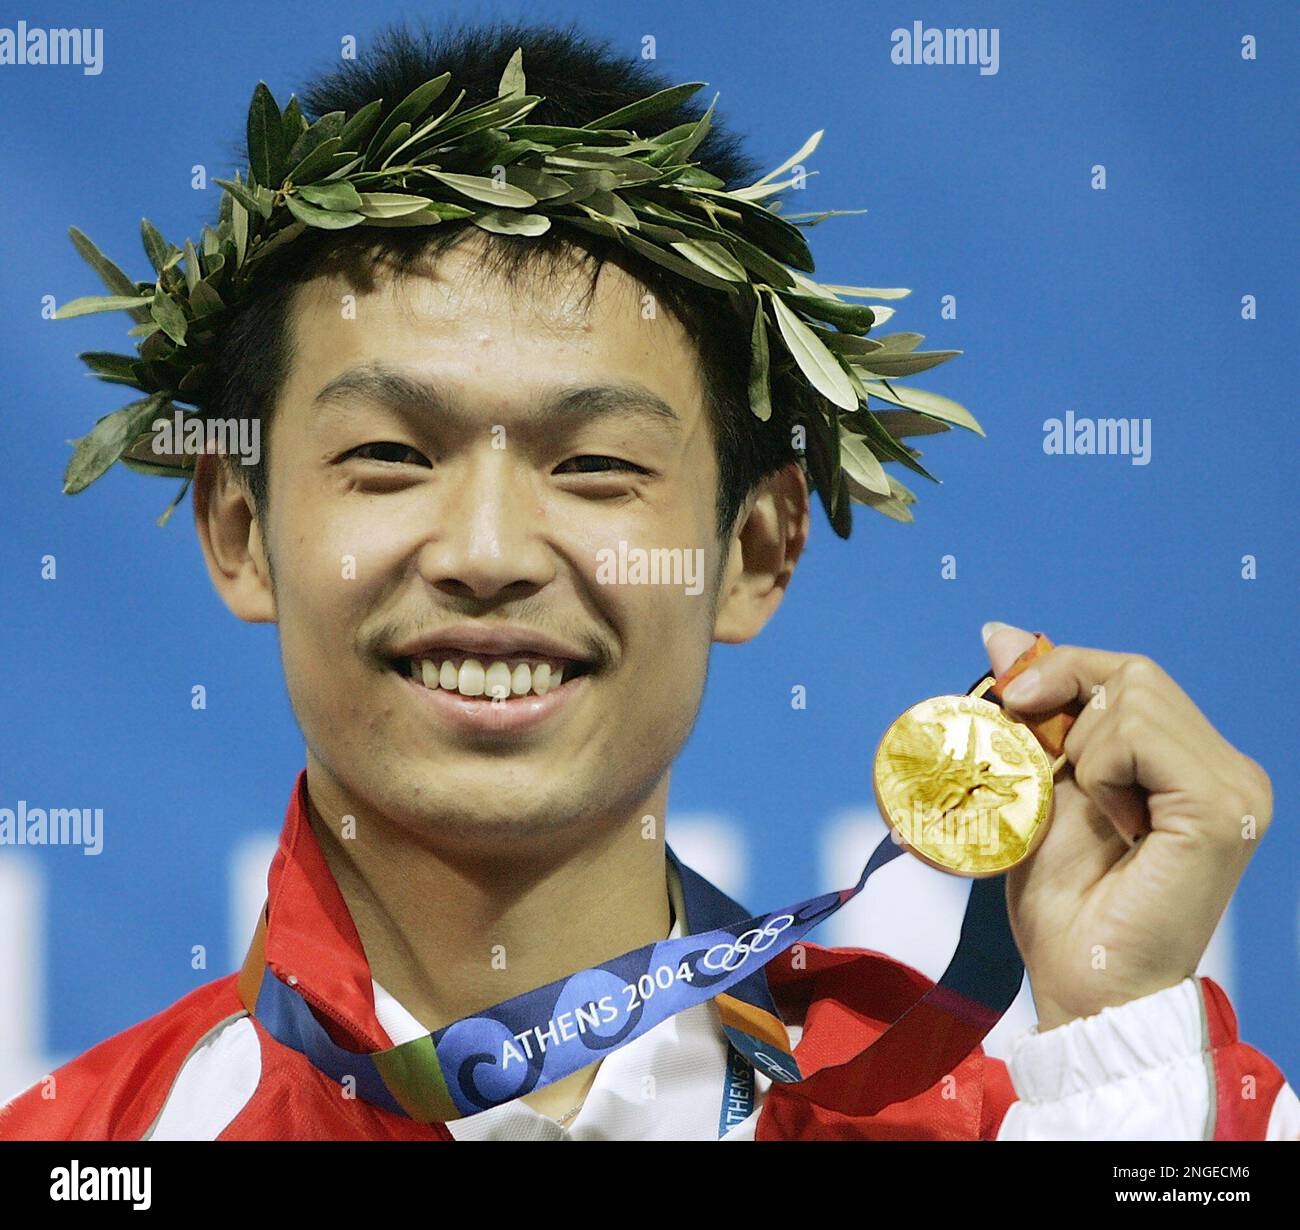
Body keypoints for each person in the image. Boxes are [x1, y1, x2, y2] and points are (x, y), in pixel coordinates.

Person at [2, 18, 1294, 1141]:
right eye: (392, 455)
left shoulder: (1077, 1116)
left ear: (756, 550)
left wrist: (1119, 1035)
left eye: (597, 463)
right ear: (238, 527)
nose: (491, 550)